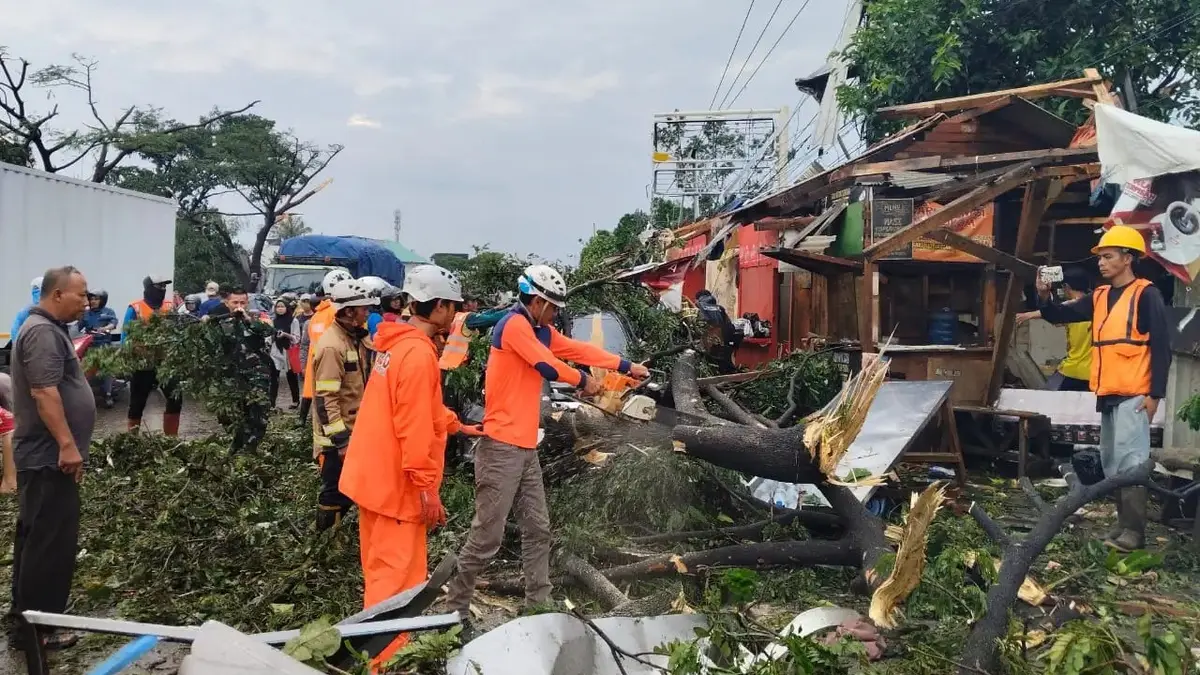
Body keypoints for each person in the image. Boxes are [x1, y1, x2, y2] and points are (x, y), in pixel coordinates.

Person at [445, 265, 649, 616]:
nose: (555, 314)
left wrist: (625, 365)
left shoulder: (539, 328)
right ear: (537, 301)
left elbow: (577, 349)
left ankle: (537, 604)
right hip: (500, 448)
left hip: (525, 446)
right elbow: (549, 366)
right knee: (487, 538)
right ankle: (456, 608)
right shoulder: (513, 327)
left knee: (538, 529)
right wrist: (584, 382)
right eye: (553, 307)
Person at [340, 265, 484, 663]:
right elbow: (414, 428)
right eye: (452, 307)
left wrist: (458, 426)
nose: (455, 316)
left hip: (373, 481)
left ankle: (372, 657)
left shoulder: (395, 346)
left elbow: (414, 408)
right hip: (396, 490)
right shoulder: (418, 355)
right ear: (437, 307)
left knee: (379, 575)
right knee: (399, 590)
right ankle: (383, 662)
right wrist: (426, 490)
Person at [1016, 225, 1172, 552]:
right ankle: (1122, 526)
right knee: (1114, 465)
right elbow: (1058, 313)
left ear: (1127, 259)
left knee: (1131, 463)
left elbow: (1161, 346)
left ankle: (1134, 533)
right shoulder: (1100, 297)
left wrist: (1155, 394)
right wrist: (1043, 295)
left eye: (1108, 256)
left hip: (1134, 395)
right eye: (1100, 256)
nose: (1101, 262)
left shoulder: (1147, 294)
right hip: (1109, 396)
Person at [8, 267, 95, 654]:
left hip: (44, 457)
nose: (86, 301)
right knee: (49, 541)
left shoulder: (45, 327)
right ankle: (39, 628)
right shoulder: (42, 332)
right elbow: (44, 393)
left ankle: (27, 619)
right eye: (81, 295)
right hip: (48, 457)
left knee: (37, 536)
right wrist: (67, 444)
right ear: (57, 295)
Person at [311, 278, 375, 530]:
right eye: (364, 309)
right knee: (334, 494)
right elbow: (326, 401)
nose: (367, 313)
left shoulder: (357, 338)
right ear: (349, 311)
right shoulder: (332, 346)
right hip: (336, 439)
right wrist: (341, 441)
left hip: (355, 429)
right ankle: (325, 544)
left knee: (352, 489)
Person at [123, 275, 183, 436]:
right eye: (159, 287)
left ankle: (171, 439)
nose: (162, 290)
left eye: (164, 287)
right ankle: (132, 439)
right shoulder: (135, 308)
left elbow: (179, 331)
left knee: (176, 399)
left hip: (166, 363)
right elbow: (125, 337)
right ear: (148, 288)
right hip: (142, 363)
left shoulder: (170, 307)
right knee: (137, 403)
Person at [300, 270, 352, 426]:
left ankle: (303, 422)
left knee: (321, 408)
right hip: (336, 368)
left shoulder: (317, 315)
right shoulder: (337, 312)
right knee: (333, 409)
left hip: (317, 366)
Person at [1034, 267, 1094, 392]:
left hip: (1073, 370)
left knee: (1046, 398)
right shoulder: (1098, 305)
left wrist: (1042, 297)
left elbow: (1057, 313)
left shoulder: (1072, 309)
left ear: (1066, 286)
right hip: (1095, 373)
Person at [81, 290, 119, 408]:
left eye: (96, 299)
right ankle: (85, 397)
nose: (93, 301)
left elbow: (113, 322)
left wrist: (105, 328)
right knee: (85, 371)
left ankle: (108, 395)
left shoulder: (108, 312)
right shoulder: (86, 314)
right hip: (90, 347)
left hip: (104, 347)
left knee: (107, 371)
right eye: (91, 299)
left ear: (102, 300)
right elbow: (77, 326)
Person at [268, 299, 301, 408]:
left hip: (288, 351)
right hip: (276, 350)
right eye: (278, 307)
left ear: (287, 308)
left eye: (282, 306)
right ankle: (272, 403)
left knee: (291, 376)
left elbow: (296, 338)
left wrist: (286, 335)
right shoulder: (273, 321)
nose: (280, 309)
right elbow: (269, 336)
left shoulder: (293, 321)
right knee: (274, 377)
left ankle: (295, 401)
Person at [9, 277, 43, 341]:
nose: (35, 292)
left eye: (37, 289)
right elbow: (15, 332)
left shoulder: (26, 310)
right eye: (34, 289)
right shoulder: (26, 311)